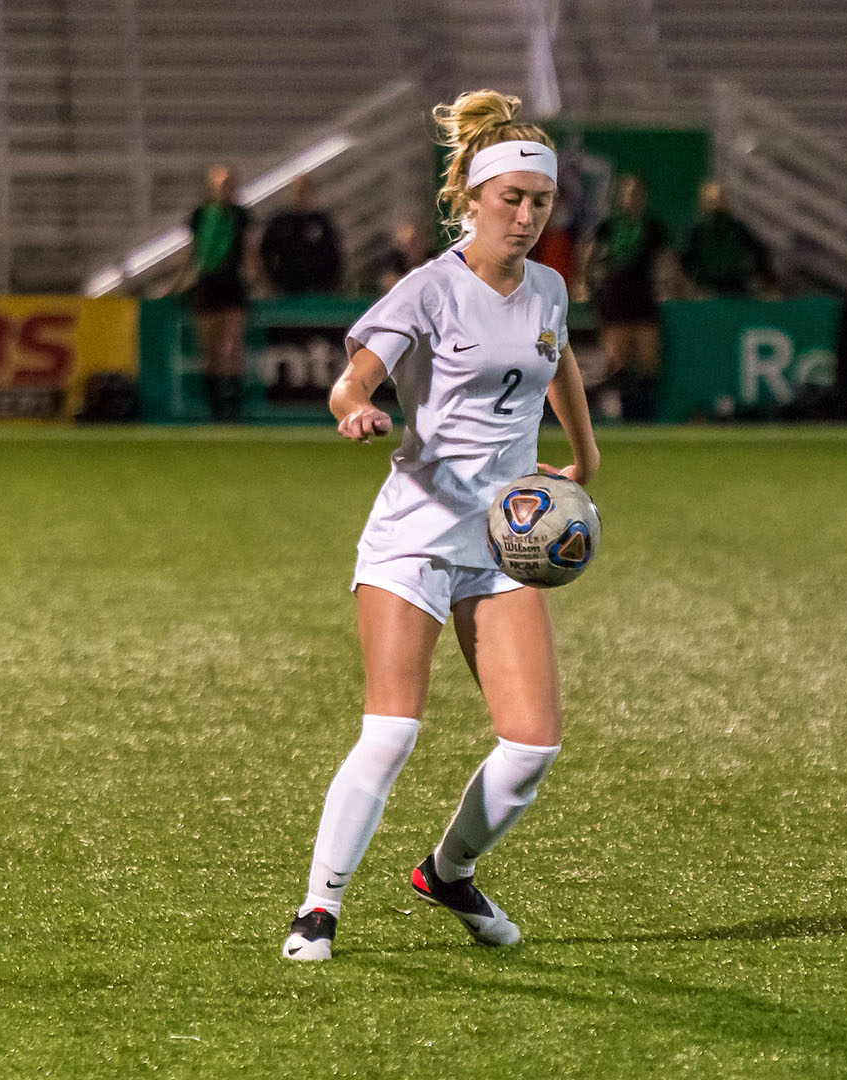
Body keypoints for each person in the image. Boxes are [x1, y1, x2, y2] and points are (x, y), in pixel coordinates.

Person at [281, 89, 599, 962]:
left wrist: (585, 453)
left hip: (501, 541)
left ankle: (447, 873)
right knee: (392, 730)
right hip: (414, 533)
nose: (529, 217)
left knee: (532, 745)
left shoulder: (548, 288)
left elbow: (558, 356)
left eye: (541, 202)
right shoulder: (429, 289)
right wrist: (352, 409)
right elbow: (355, 378)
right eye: (512, 200)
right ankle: (319, 908)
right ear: (469, 197)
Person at [582, 174, 670, 421]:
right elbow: (587, 253)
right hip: (616, 296)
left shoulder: (652, 227)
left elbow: (667, 261)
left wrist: (676, 286)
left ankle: (646, 416)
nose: (632, 198)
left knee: (648, 362)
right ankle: (624, 416)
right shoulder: (608, 226)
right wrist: (583, 283)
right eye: (628, 193)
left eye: (637, 193)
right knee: (618, 363)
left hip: (643, 297)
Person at [182, 162, 253, 422]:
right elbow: (193, 251)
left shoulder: (240, 215)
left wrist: (255, 278)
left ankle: (231, 407)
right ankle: (215, 408)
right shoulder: (200, 215)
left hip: (232, 284)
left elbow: (248, 249)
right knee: (210, 351)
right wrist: (178, 283)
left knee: (231, 349)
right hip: (207, 284)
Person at [680, 180, 770, 298]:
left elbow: (759, 252)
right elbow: (685, 263)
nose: (717, 205)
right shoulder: (697, 232)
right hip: (707, 291)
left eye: (720, 200)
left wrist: (762, 281)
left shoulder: (738, 229)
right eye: (711, 201)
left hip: (737, 291)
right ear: (703, 203)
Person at [259, 174, 344, 296]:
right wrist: (270, 280)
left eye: (305, 190)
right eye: (298, 191)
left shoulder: (321, 221)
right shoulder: (280, 222)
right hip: (287, 287)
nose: (301, 195)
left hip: (319, 288)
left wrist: (332, 282)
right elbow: (266, 252)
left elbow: (333, 252)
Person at [376, 214, 437, 293]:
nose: (416, 245)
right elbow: (390, 285)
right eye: (412, 241)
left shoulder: (434, 261)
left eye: (420, 239)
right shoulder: (394, 263)